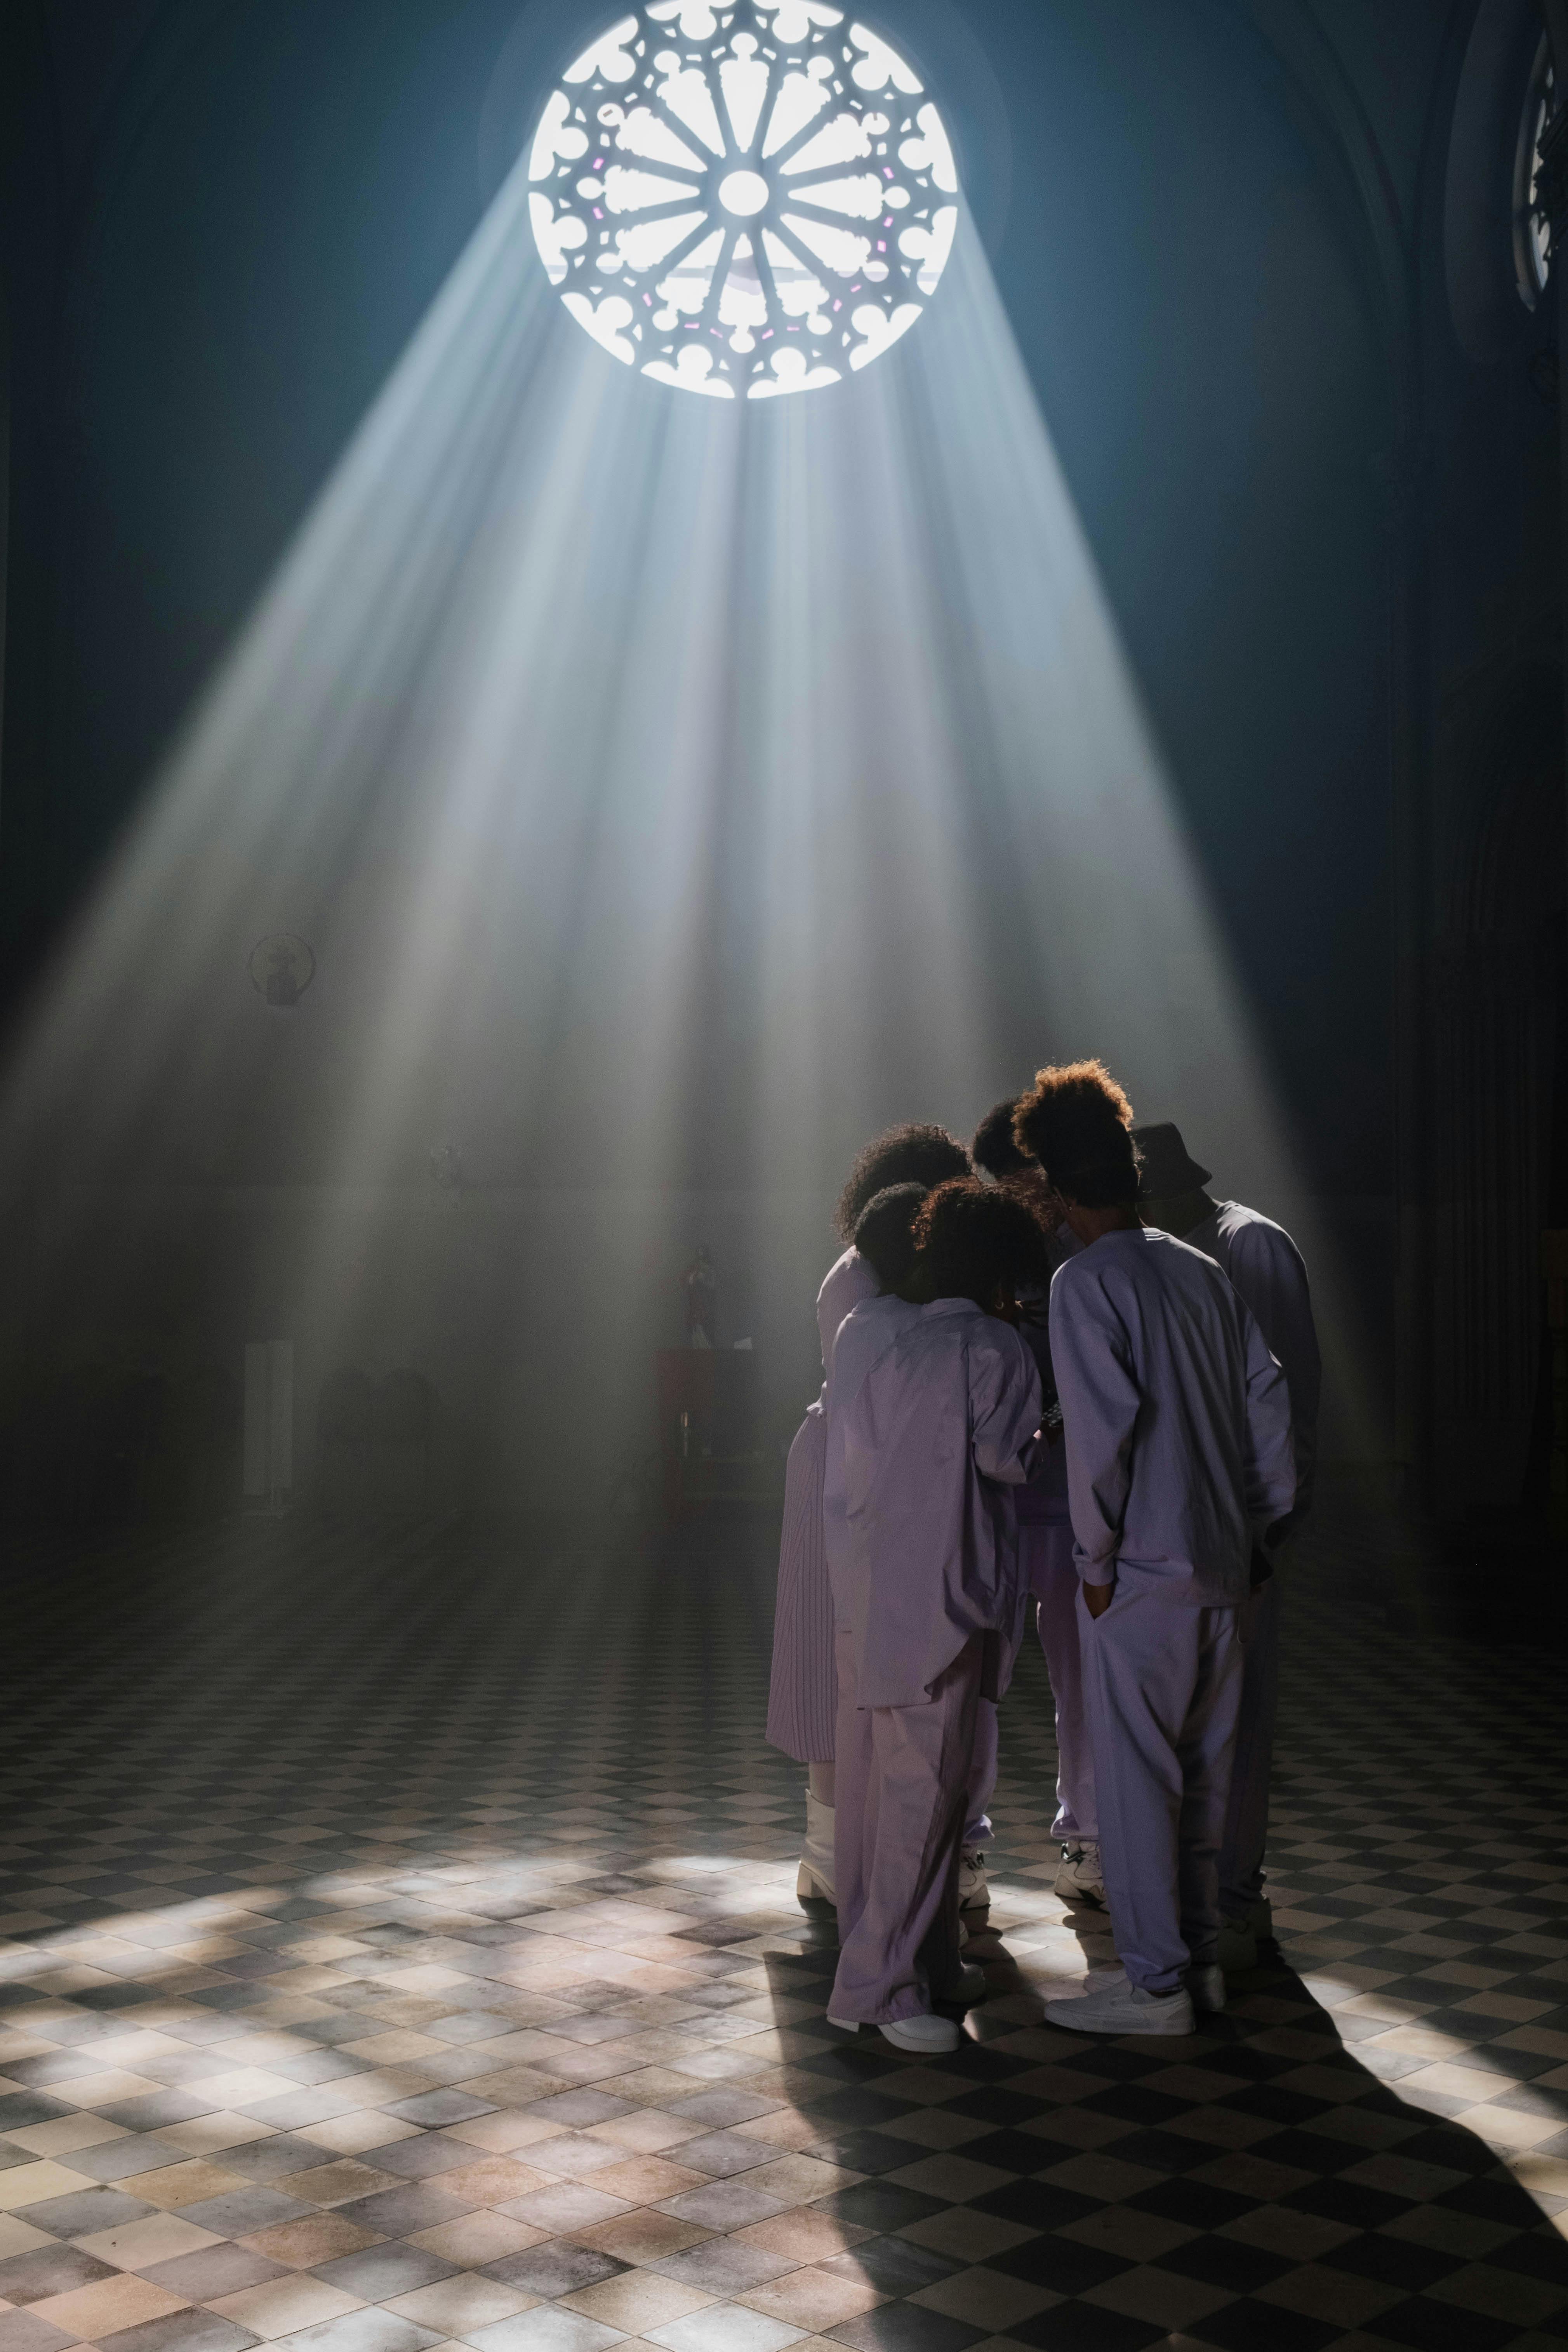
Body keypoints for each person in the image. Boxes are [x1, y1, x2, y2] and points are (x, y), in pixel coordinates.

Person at [1015, 1063, 1295, 2036]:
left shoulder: (1085, 1280)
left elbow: (1102, 1437)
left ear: (1055, 1185)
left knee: (1137, 1782)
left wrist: (1094, 1569)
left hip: (1142, 1571)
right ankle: (1199, 1950)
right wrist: (1262, 1526)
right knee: (1209, 1770)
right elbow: (1267, 1402)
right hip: (1225, 1560)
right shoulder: (1199, 1266)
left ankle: (1154, 1984)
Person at [826, 1180, 1048, 2053]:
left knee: (904, 1789)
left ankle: (926, 1958)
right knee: (929, 1798)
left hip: (881, 1585)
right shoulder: (993, 1344)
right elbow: (1003, 1457)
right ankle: (875, 1988)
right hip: (951, 1592)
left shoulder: (877, 1334)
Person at [1134, 1119, 1321, 1971]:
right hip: (1201, 1525)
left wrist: (1268, 1525)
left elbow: (1285, 1401)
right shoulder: (1182, 1251)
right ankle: (1205, 1899)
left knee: (1238, 1721)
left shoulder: (1251, 1246)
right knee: (1203, 1722)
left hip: (1248, 1524)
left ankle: (1237, 1897)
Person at [766, 1123, 971, 1902]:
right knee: (833, 1659)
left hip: (874, 1459)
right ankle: (827, 1847)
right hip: (847, 1461)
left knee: (872, 1663)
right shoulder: (859, 1279)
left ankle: (847, 1848)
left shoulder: (893, 1271)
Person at [972, 1098, 1101, 1911]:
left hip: (1080, 1495)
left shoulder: (1092, 1250)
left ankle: (1087, 1837)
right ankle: (963, 1842)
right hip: (996, 1495)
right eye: (1010, 1183)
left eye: (1035, 1178)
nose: (1030, 1197)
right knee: (979, 1672)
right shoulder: (979, 1255)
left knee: (1082, 1675)